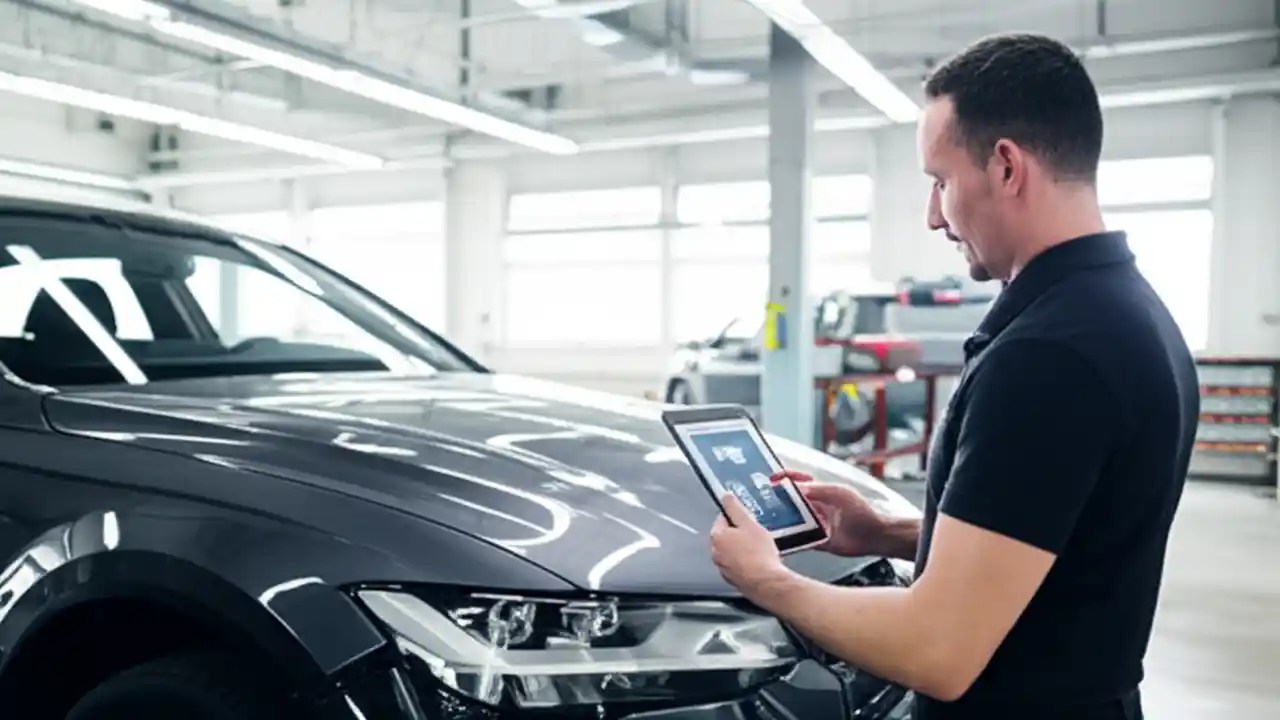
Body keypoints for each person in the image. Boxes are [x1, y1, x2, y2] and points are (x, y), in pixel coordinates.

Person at [708, 32, 1198, 720]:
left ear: (1006, 167)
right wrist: (885, 531)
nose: (934, 215)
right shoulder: (1128, 311)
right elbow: (1056, 537)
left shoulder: (1051, 356)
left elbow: (935, 650)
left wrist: (766, 579)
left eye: (941, 181)